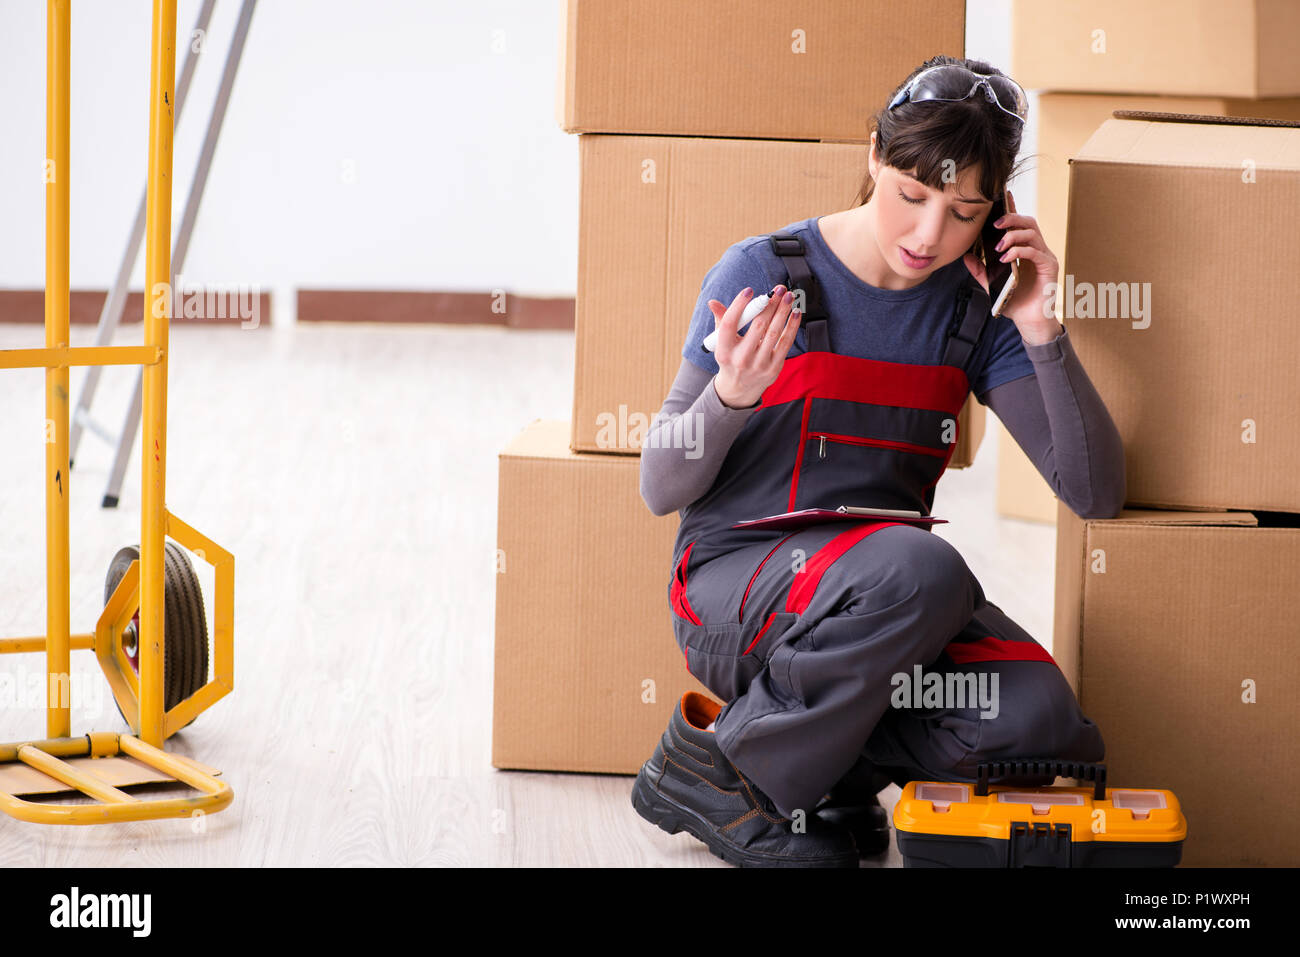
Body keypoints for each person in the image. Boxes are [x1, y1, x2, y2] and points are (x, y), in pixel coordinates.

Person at [629, 55, 1124, 868]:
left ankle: (831, 769)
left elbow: (1096, 492)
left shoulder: (978, 313)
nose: (930, 234)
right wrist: (732, 396)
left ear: (996, 211)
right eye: (912, 195)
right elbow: (660, 486)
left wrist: (1041, 327)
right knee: (924, 569)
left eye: (965, 211)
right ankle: (732, 772)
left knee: (1039, 722)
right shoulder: (765, 273)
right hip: (738, 591)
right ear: (874, 157)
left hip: (886, 613)